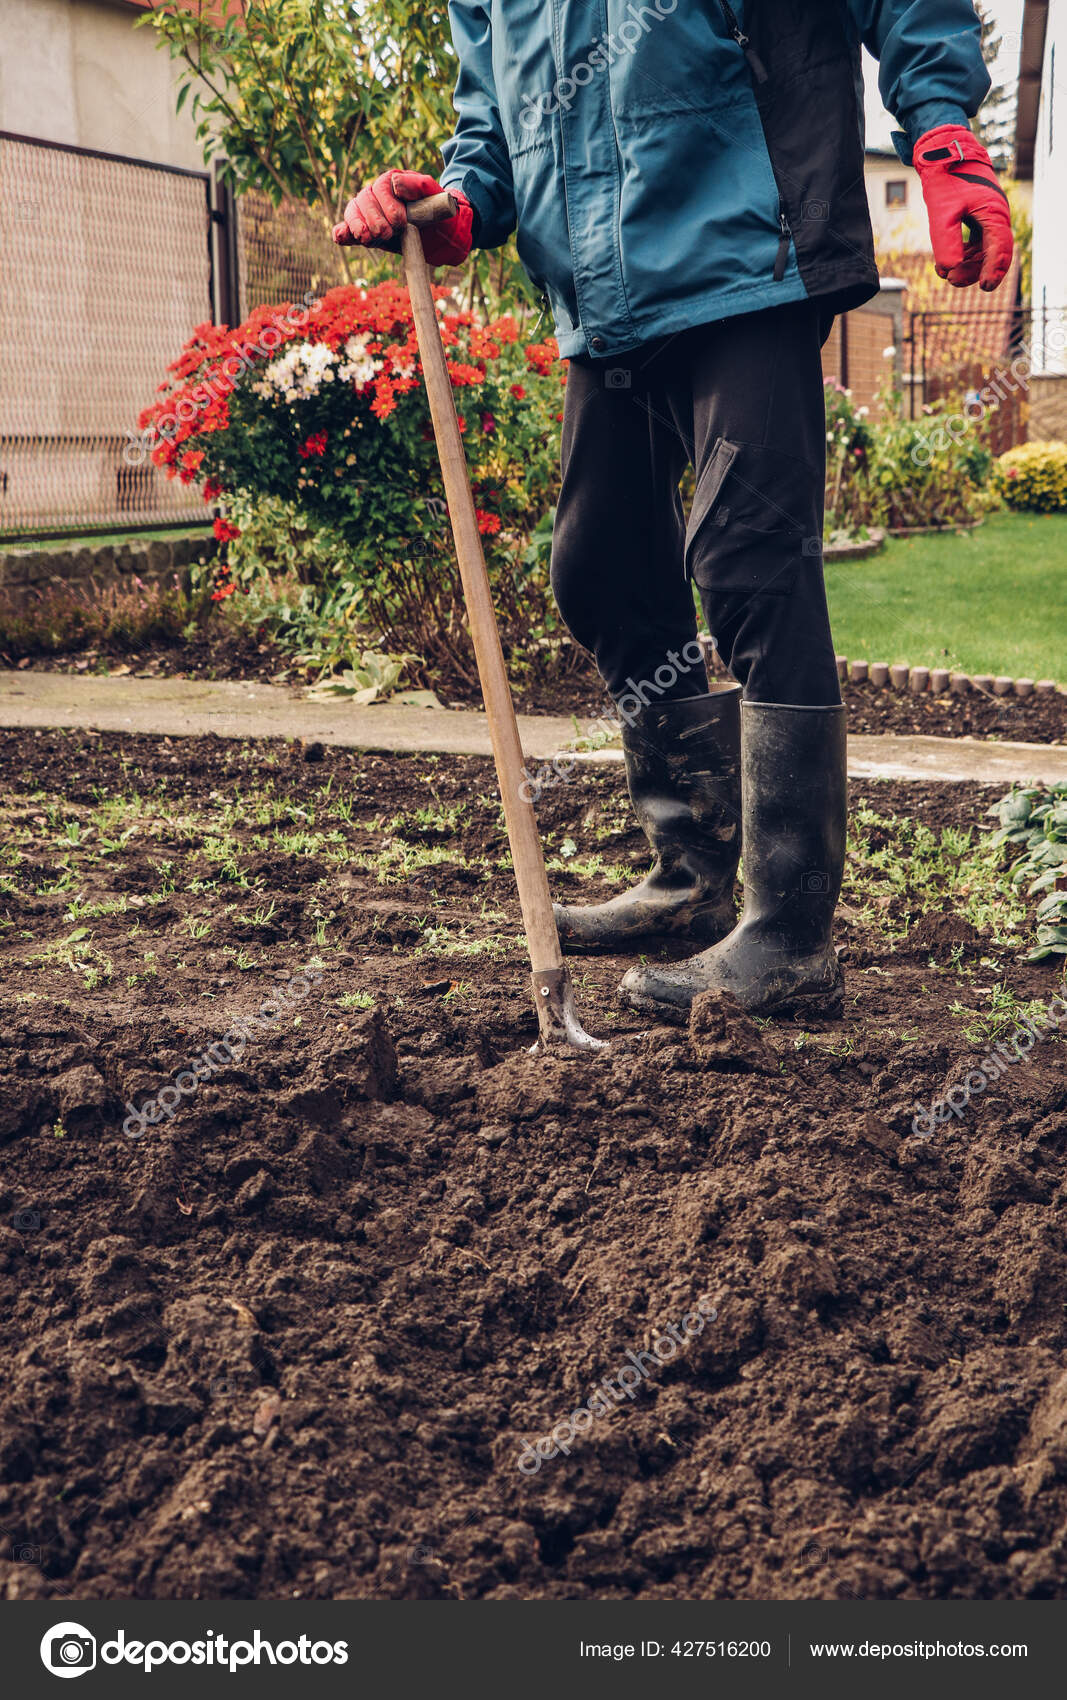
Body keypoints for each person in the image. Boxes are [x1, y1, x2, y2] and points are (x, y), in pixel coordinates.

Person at [334, 1, 1013, 1019]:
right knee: (599, 565)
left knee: (746, 556)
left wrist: (942, 134)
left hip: (751, 251)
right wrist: (461, 200)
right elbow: (494, 114)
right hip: (603, 293)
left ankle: (790, 931)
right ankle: (692, 874)